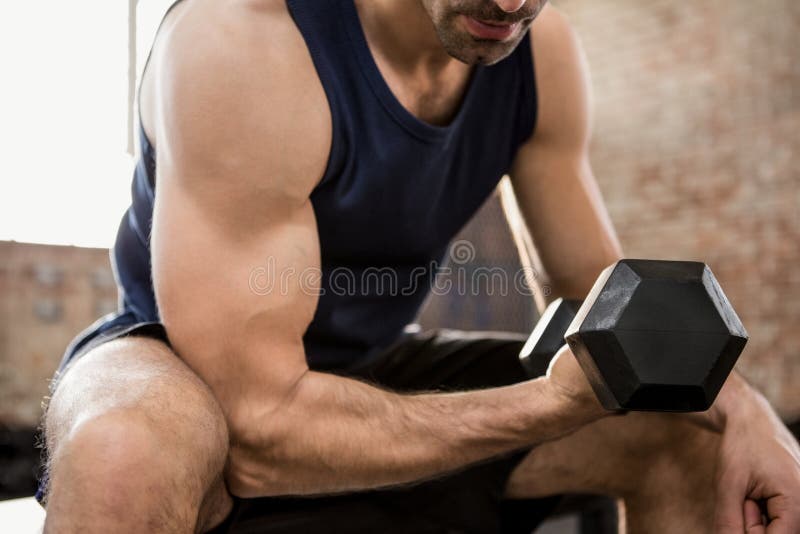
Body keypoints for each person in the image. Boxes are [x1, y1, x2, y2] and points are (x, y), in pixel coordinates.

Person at [39, 0, 800, 532]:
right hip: (189, 367)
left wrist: (747, 413)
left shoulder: (541, 53)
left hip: (373, 362)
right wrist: (548, 405)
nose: (512, 4)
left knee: (697, 435)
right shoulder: (245, 41)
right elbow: (261, 429)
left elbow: (603, 298)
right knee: (123, 454)